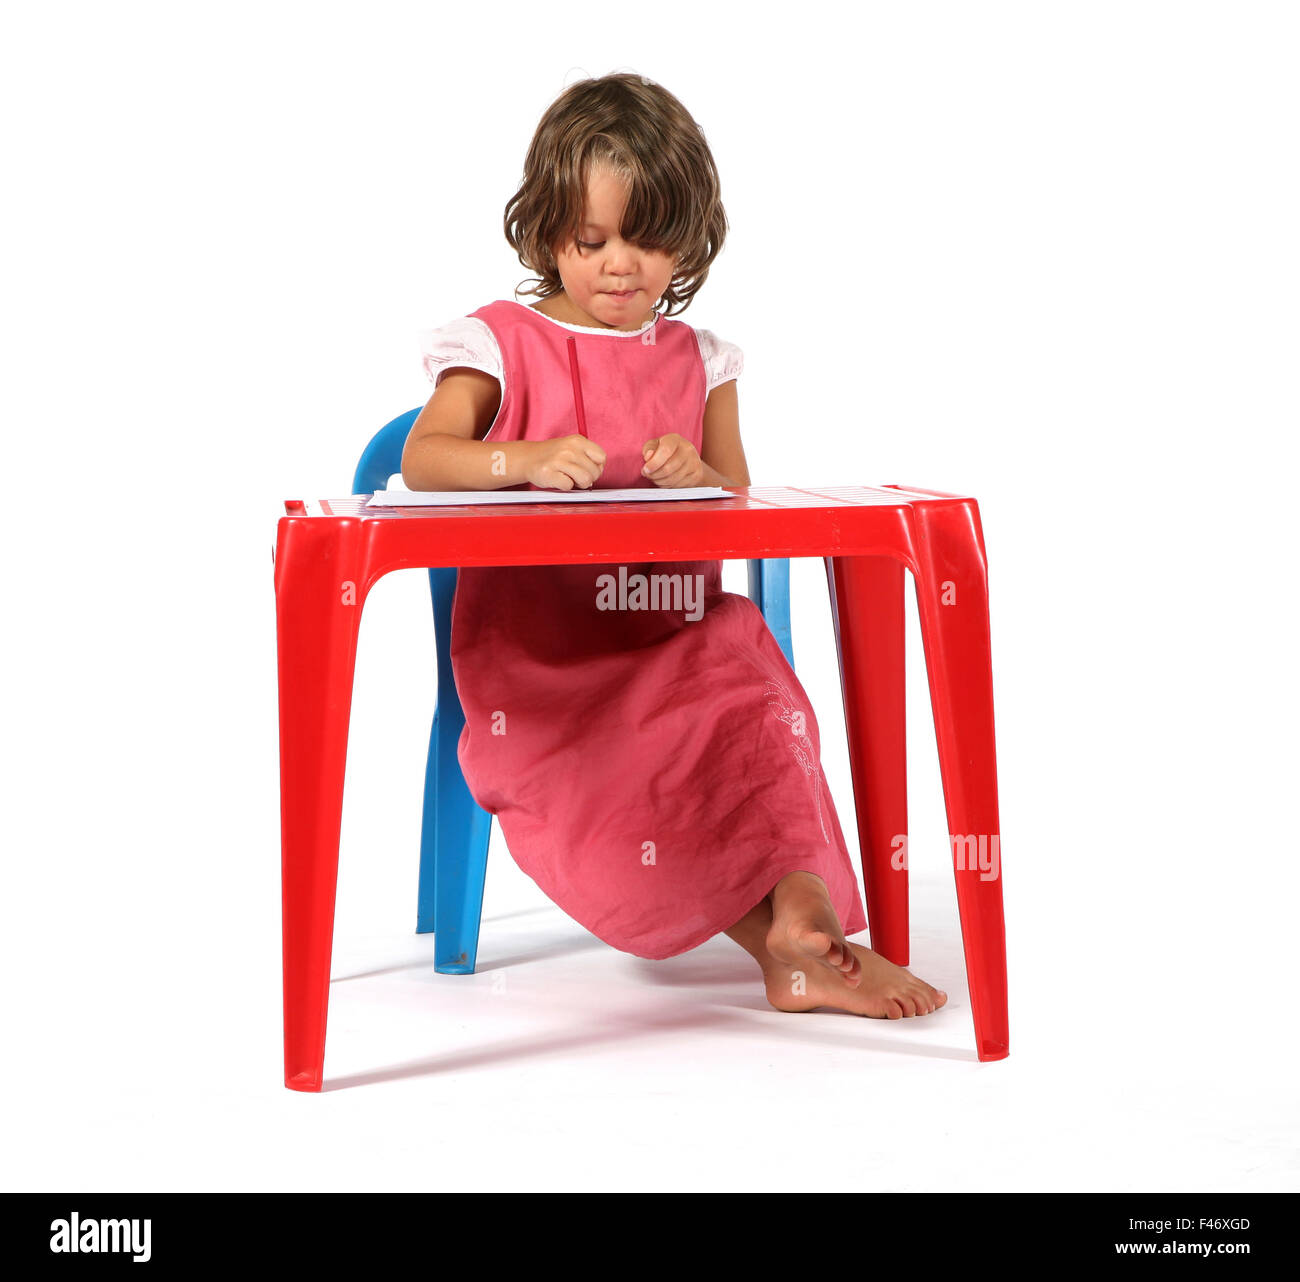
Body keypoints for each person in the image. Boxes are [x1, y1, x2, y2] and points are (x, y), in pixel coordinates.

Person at [402, 72, 946, 1020]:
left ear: (688, 242)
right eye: (593, 239)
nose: (622, 266)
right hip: (548, 669)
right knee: (648, 758)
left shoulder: (701, 361)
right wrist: (515, 459)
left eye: (649, 239)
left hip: (670, 635)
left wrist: (694, 463)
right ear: (547, 229)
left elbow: (734, 492)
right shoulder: (499, 343)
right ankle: (790, 933)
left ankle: (807, 924)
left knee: (746, 667)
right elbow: (422, 459)